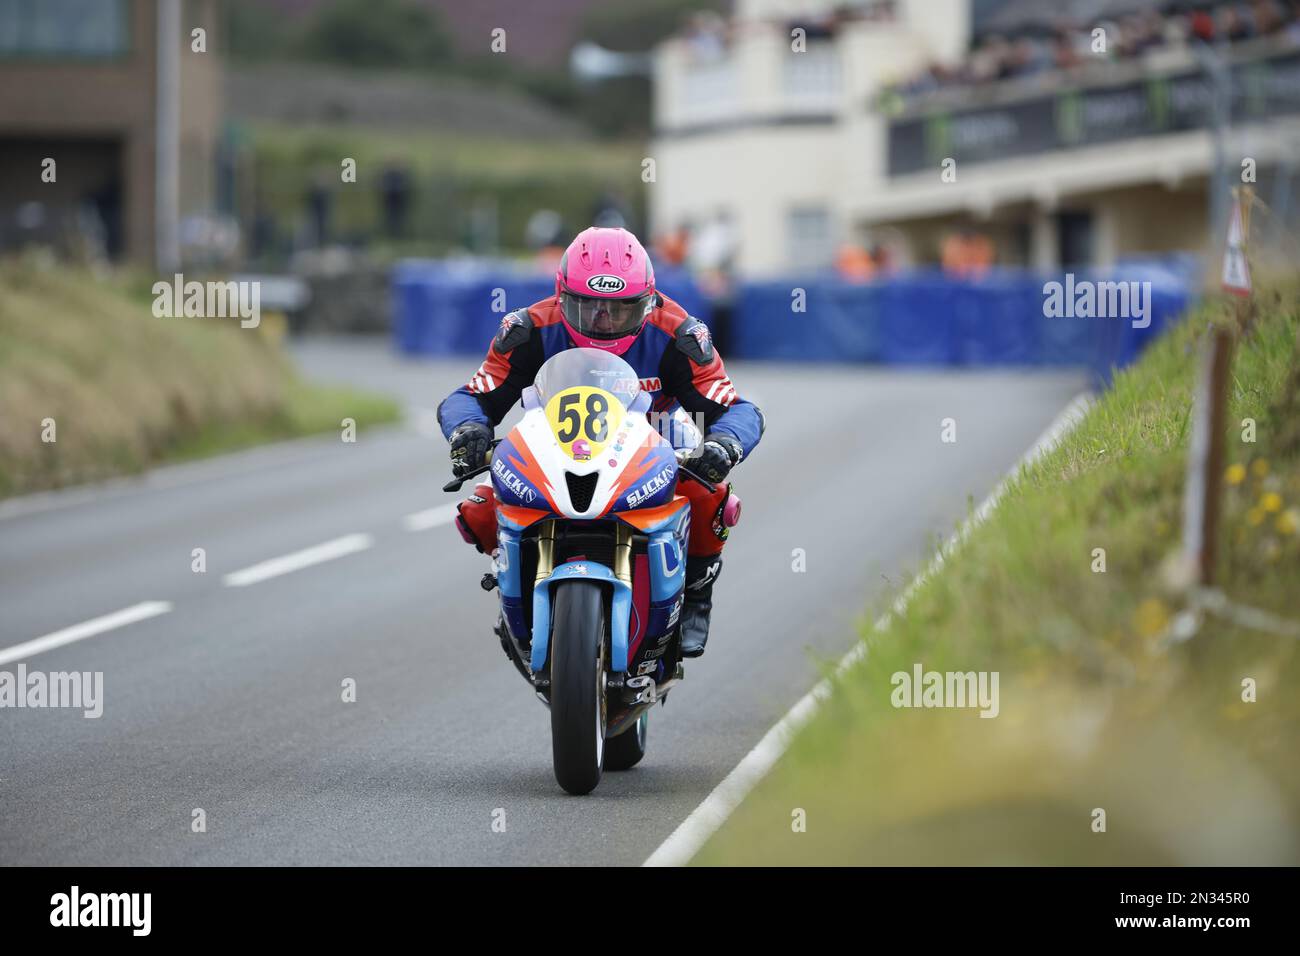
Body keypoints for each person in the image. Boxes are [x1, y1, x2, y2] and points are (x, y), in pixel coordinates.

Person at [438, 226, 764, 657]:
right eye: (586, 307)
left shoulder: (680, 334)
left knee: (710, 496)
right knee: (478, 513)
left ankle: (697, 594)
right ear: (560, 297)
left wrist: (722, 445)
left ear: (646, 303)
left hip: (655, 437)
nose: (603, 320)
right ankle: (514, 582)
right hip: (555, 440)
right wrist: (468, 430)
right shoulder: (528, 329)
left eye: (619, 310)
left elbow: (737, 407)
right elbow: (472, 396)